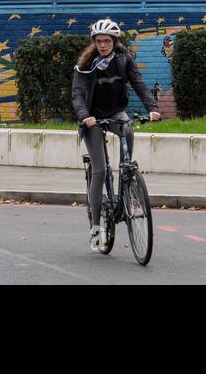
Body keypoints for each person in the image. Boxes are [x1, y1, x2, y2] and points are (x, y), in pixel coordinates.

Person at [72, 18, 160, 250]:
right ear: (94, 42)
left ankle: (127, 179)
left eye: (107, 41)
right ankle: (95, 227)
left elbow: (139, 84)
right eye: (99, 41)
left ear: (114, 41)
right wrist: (84, 116)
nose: (103, 45)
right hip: (92, 119)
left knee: (127, 128)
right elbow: (78, 94)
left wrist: (152, 108)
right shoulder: (85, 65)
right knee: (100, 169)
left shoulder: (123, 60)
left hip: (115, 113)